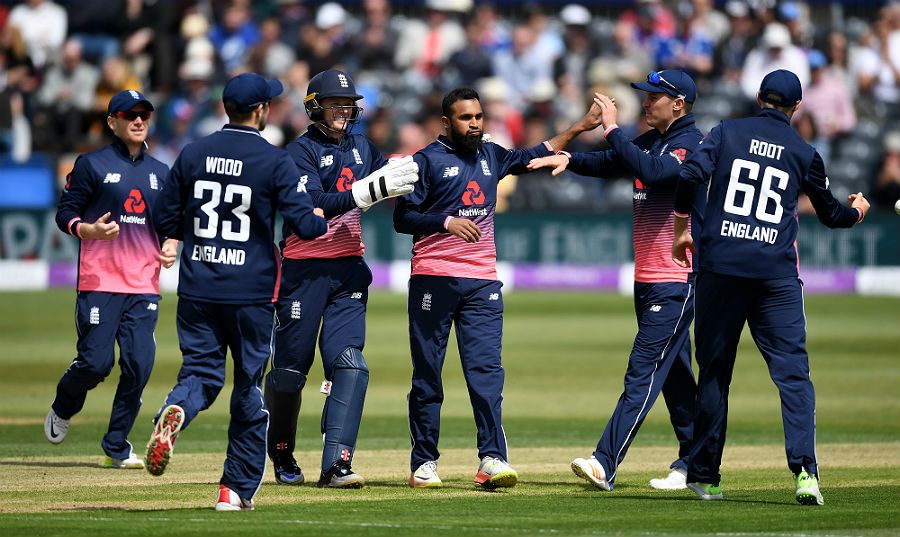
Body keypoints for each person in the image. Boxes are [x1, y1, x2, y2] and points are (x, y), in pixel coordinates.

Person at [671, 69, 870, 505]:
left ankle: (705, 477)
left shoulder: (726, 131)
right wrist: (857, 211)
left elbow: (688, 177)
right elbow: (833, 215)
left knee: (716, 373)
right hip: (775, 279)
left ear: (759, 96)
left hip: (721, 269)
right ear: (796, 108)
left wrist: (684, 227)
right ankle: (805, 474)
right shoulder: (804, 152)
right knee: (793, 377)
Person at [394, 87, 601, 489]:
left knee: (486, 373)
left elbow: (535, 153)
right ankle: (424, 462)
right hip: (434, 279)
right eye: (465, 118)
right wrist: (445, 222)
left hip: (483, 282)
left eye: (478, 116)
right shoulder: (425, 160)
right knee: (428, 377)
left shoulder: (491, 154)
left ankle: (492, 458)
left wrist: (579, 127)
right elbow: (403, 218)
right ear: (445, 122)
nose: (474, 124)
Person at [144, 73, 327, 511]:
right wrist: (319, 215)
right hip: (252, 294)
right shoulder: (275, 160)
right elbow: (307, 226)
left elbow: (163, 218)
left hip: (198, 289)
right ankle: (234, 489)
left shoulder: (192, 153)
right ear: (262, 110)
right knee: (248, 387)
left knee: (200, 375)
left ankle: (177, 410)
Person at [527, 69, 703, 492]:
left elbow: (654, 171)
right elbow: (611, 162)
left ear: (678, 103)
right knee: (675, 377)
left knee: (642, 371)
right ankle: (697, 463)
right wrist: (569, 160)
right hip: (649, 278)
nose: (645, 103)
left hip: (676, 278)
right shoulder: (654, 140)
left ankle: (604, 463)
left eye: (653, 97)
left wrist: (611, 128)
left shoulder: (690, 144)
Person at [265, 68, 418, 489]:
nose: (343, 111)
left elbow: (395, 183)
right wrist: (364, 193)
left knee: (350, 364)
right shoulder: (299, 154)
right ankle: (280, 451)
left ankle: (337, 464)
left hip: (348, 269)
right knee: (291, 372)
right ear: (314, 106)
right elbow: (311, 203)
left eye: (349, 105)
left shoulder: (363, 146)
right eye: (335, 104)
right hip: (303, 271)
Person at [47, 89, 177, 470]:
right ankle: (63, 405)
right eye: (129, 114)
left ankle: (116, 445)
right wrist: (86, 230)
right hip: (100, 281)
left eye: (144, 115)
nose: (138, 121)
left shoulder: (160, 172)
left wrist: (170, 245)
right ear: (112, 121)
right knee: (95, 364)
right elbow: (65, 213)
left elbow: (170, 222)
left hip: (143, 285)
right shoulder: (92, 165)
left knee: (139, 365)